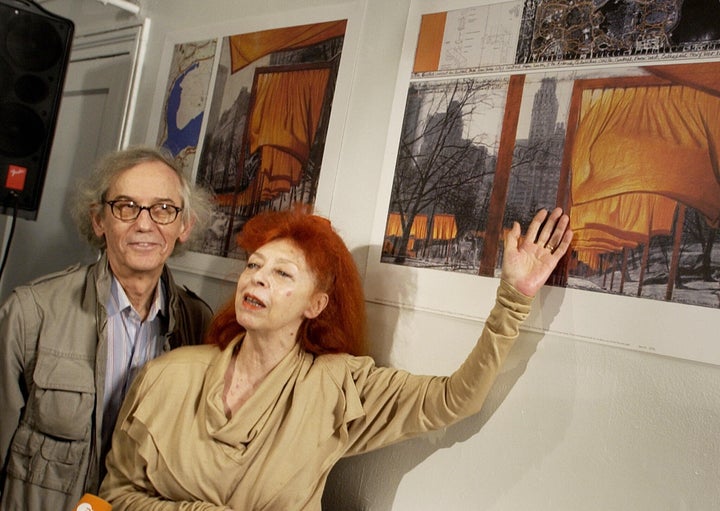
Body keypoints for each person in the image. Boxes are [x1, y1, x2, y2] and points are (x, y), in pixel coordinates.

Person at [100, 205, 573, 510]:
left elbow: (454, 399)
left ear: (316, 305)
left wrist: (514, 298)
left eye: (283, 273)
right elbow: (113, 494)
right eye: (253, 266)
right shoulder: (168, 375)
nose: (257, 280)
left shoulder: (336, 387)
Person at [0, 146, 215, 511]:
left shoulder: (199, 324)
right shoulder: (30, 312)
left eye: (163, 209)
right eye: (127, 207)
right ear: (99, 220)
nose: (144, 224)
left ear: (184, 226)